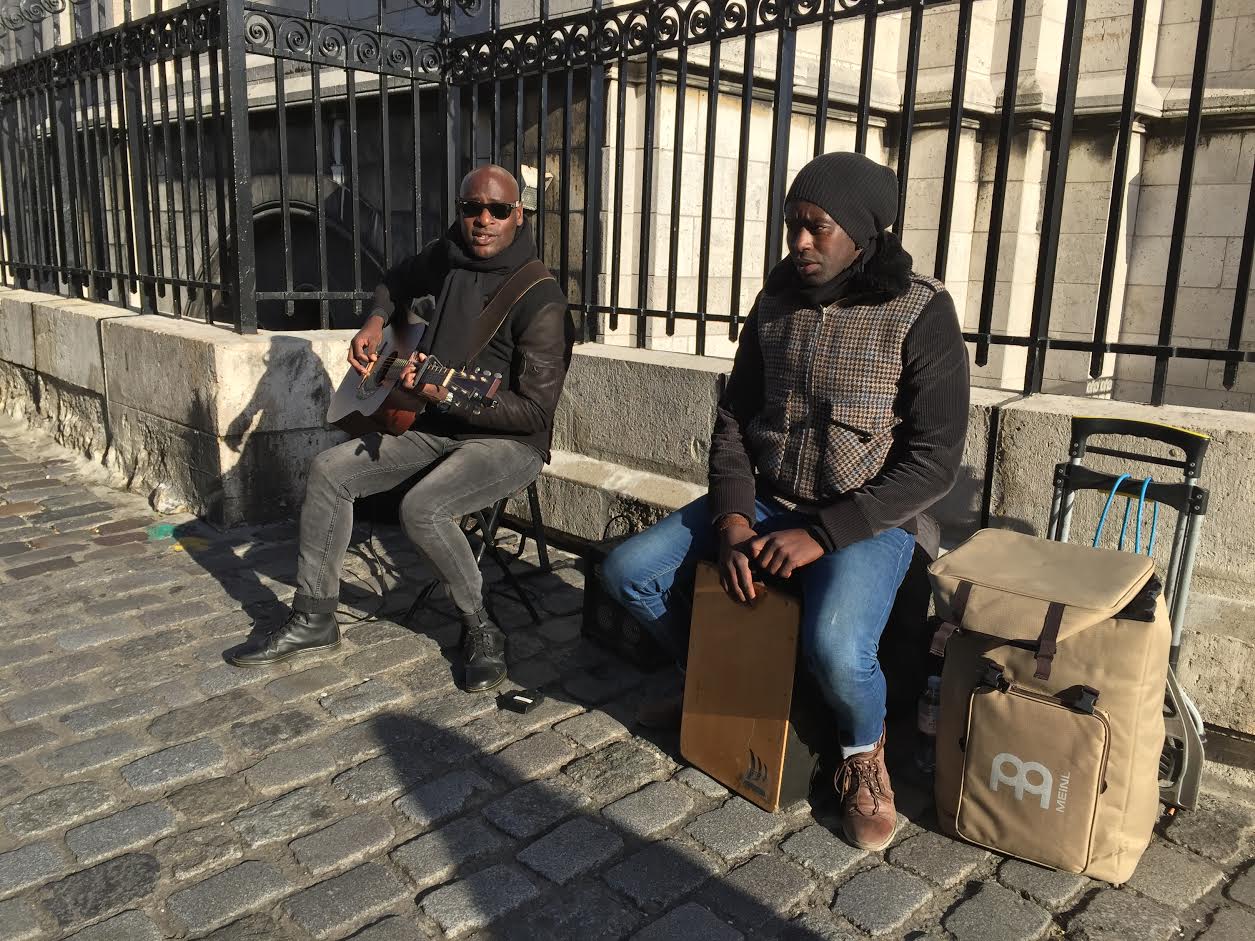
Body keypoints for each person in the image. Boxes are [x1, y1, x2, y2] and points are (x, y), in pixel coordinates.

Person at [599, 152, 969, 850]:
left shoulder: (920, 310)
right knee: (629, 572)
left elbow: (934, 462)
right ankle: (708, 679)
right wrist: (734, 517)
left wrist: (827, 533)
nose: (798, 242)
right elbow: (734, 420)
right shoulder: (773, 303)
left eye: (815, 227)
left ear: (862, 233)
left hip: (872, 517)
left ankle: (863, 754)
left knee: (836, 643)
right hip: (769, 499)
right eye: (791, 225)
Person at [227, 164, 572, 694]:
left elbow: (534, 415)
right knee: (329, 471)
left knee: (423, 506)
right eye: (471, 208)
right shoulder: (448, 254)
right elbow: (394, 282)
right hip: (433, 424)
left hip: (506, 442)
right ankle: (316, 617)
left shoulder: (540, 298)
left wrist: (451, 392)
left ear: (517, 214)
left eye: (497, 210)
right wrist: (374, 321)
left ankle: (480, 625)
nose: (483, 220)